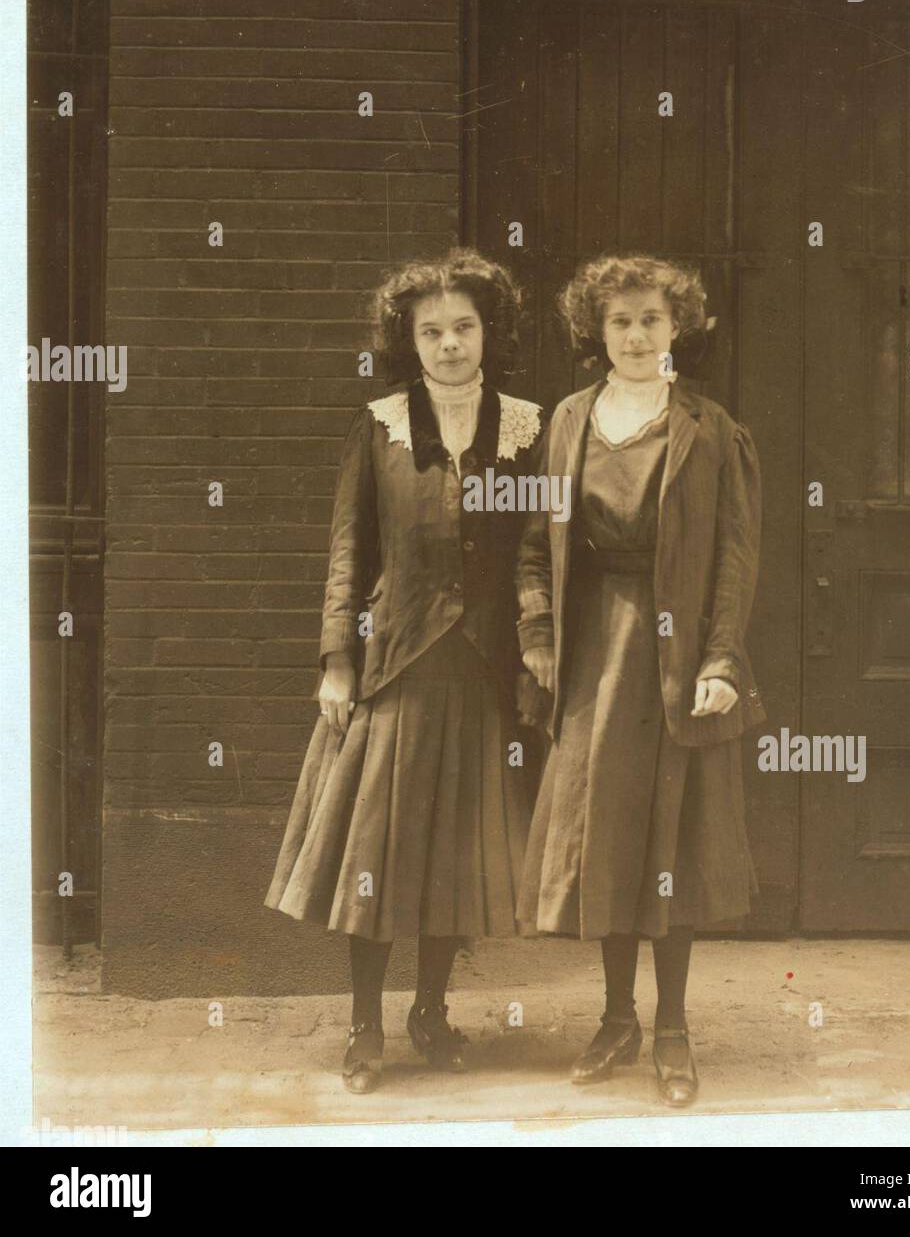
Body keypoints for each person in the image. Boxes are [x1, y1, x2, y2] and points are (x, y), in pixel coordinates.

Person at [265, 248, 543, 1093]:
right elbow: (349, 553)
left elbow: (537, 550)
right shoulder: (380, 424)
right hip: (396, 666)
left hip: (482, 671)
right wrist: (338, 662)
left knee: (452, 856)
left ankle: (430, 1011)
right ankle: (365, 1025)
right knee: (376, 852)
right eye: (432, 331)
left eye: (464, 327)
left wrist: (536, 645)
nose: (450, 344)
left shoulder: (527, 428)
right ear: (409, 340)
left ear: (488, 332)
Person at [516, 254, 766, 1107]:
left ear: (678, 327)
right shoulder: (567, 421)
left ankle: (671, 1027)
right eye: (618, 322)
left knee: (672, 840)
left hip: (675, 652)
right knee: (607, 839)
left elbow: (735, 557)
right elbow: (531, 546)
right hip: (593, 658)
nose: (634, 336)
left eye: (650, 321)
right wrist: (538, 633)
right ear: (597, 331)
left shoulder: (709, 426)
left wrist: (721, 659)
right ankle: (616, 1016)